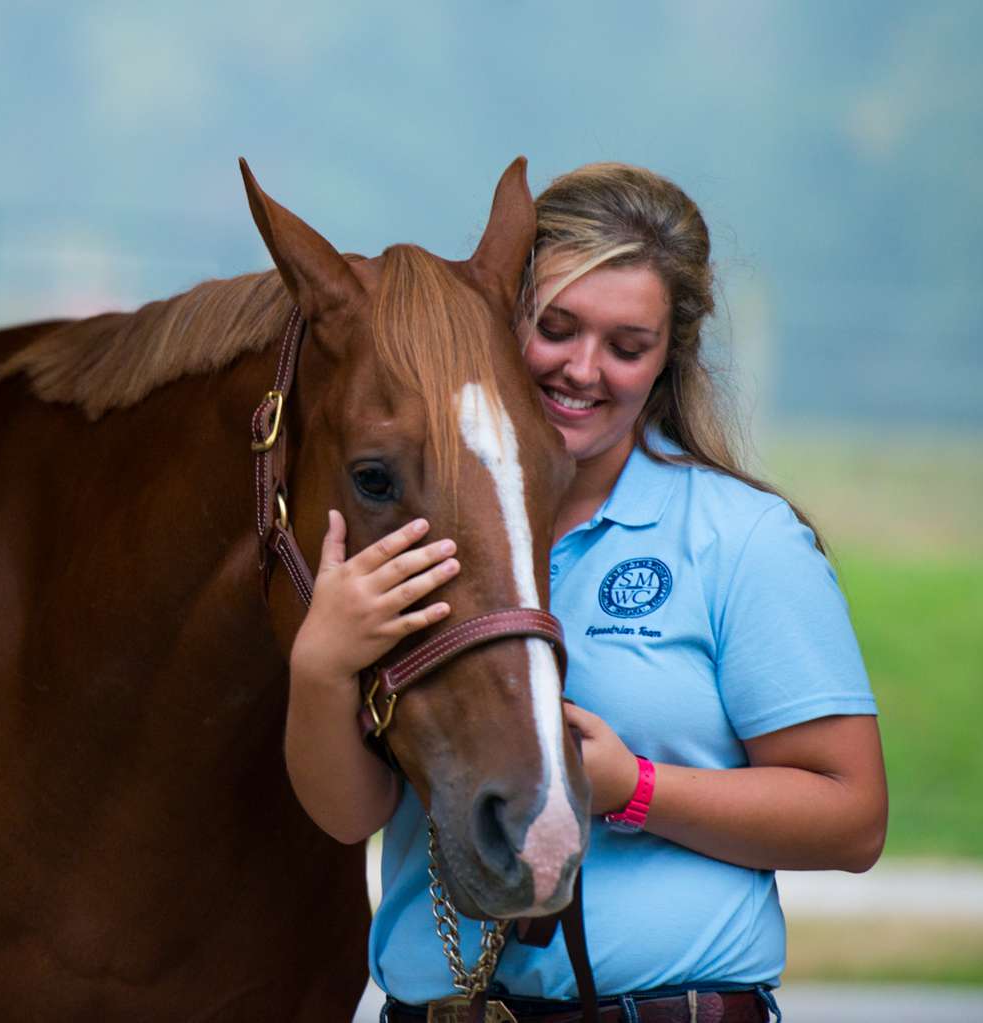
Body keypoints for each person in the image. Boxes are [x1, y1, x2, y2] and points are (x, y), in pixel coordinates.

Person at [284, 162, 887, 1022]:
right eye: (555, 327)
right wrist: (320, 666)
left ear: (666, 358)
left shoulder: (740, 538)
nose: (582, 368)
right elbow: (354, 817)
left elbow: (853, 816)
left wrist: (635, 787)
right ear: (503, 316)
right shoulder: (424, 521)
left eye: (626, 345)